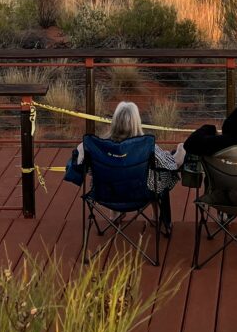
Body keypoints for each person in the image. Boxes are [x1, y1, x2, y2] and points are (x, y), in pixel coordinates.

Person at [70, 100, 183, 237]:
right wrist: (180, 150)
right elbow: (172, 165)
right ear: (136, 122)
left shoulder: (99, 147)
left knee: (117, 174)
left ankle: (115, 214)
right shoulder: (146, 146)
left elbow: (87, 169)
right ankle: (158, 217)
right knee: (159, 176)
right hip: (140, 194)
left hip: (106, 194)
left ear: (115, 121)